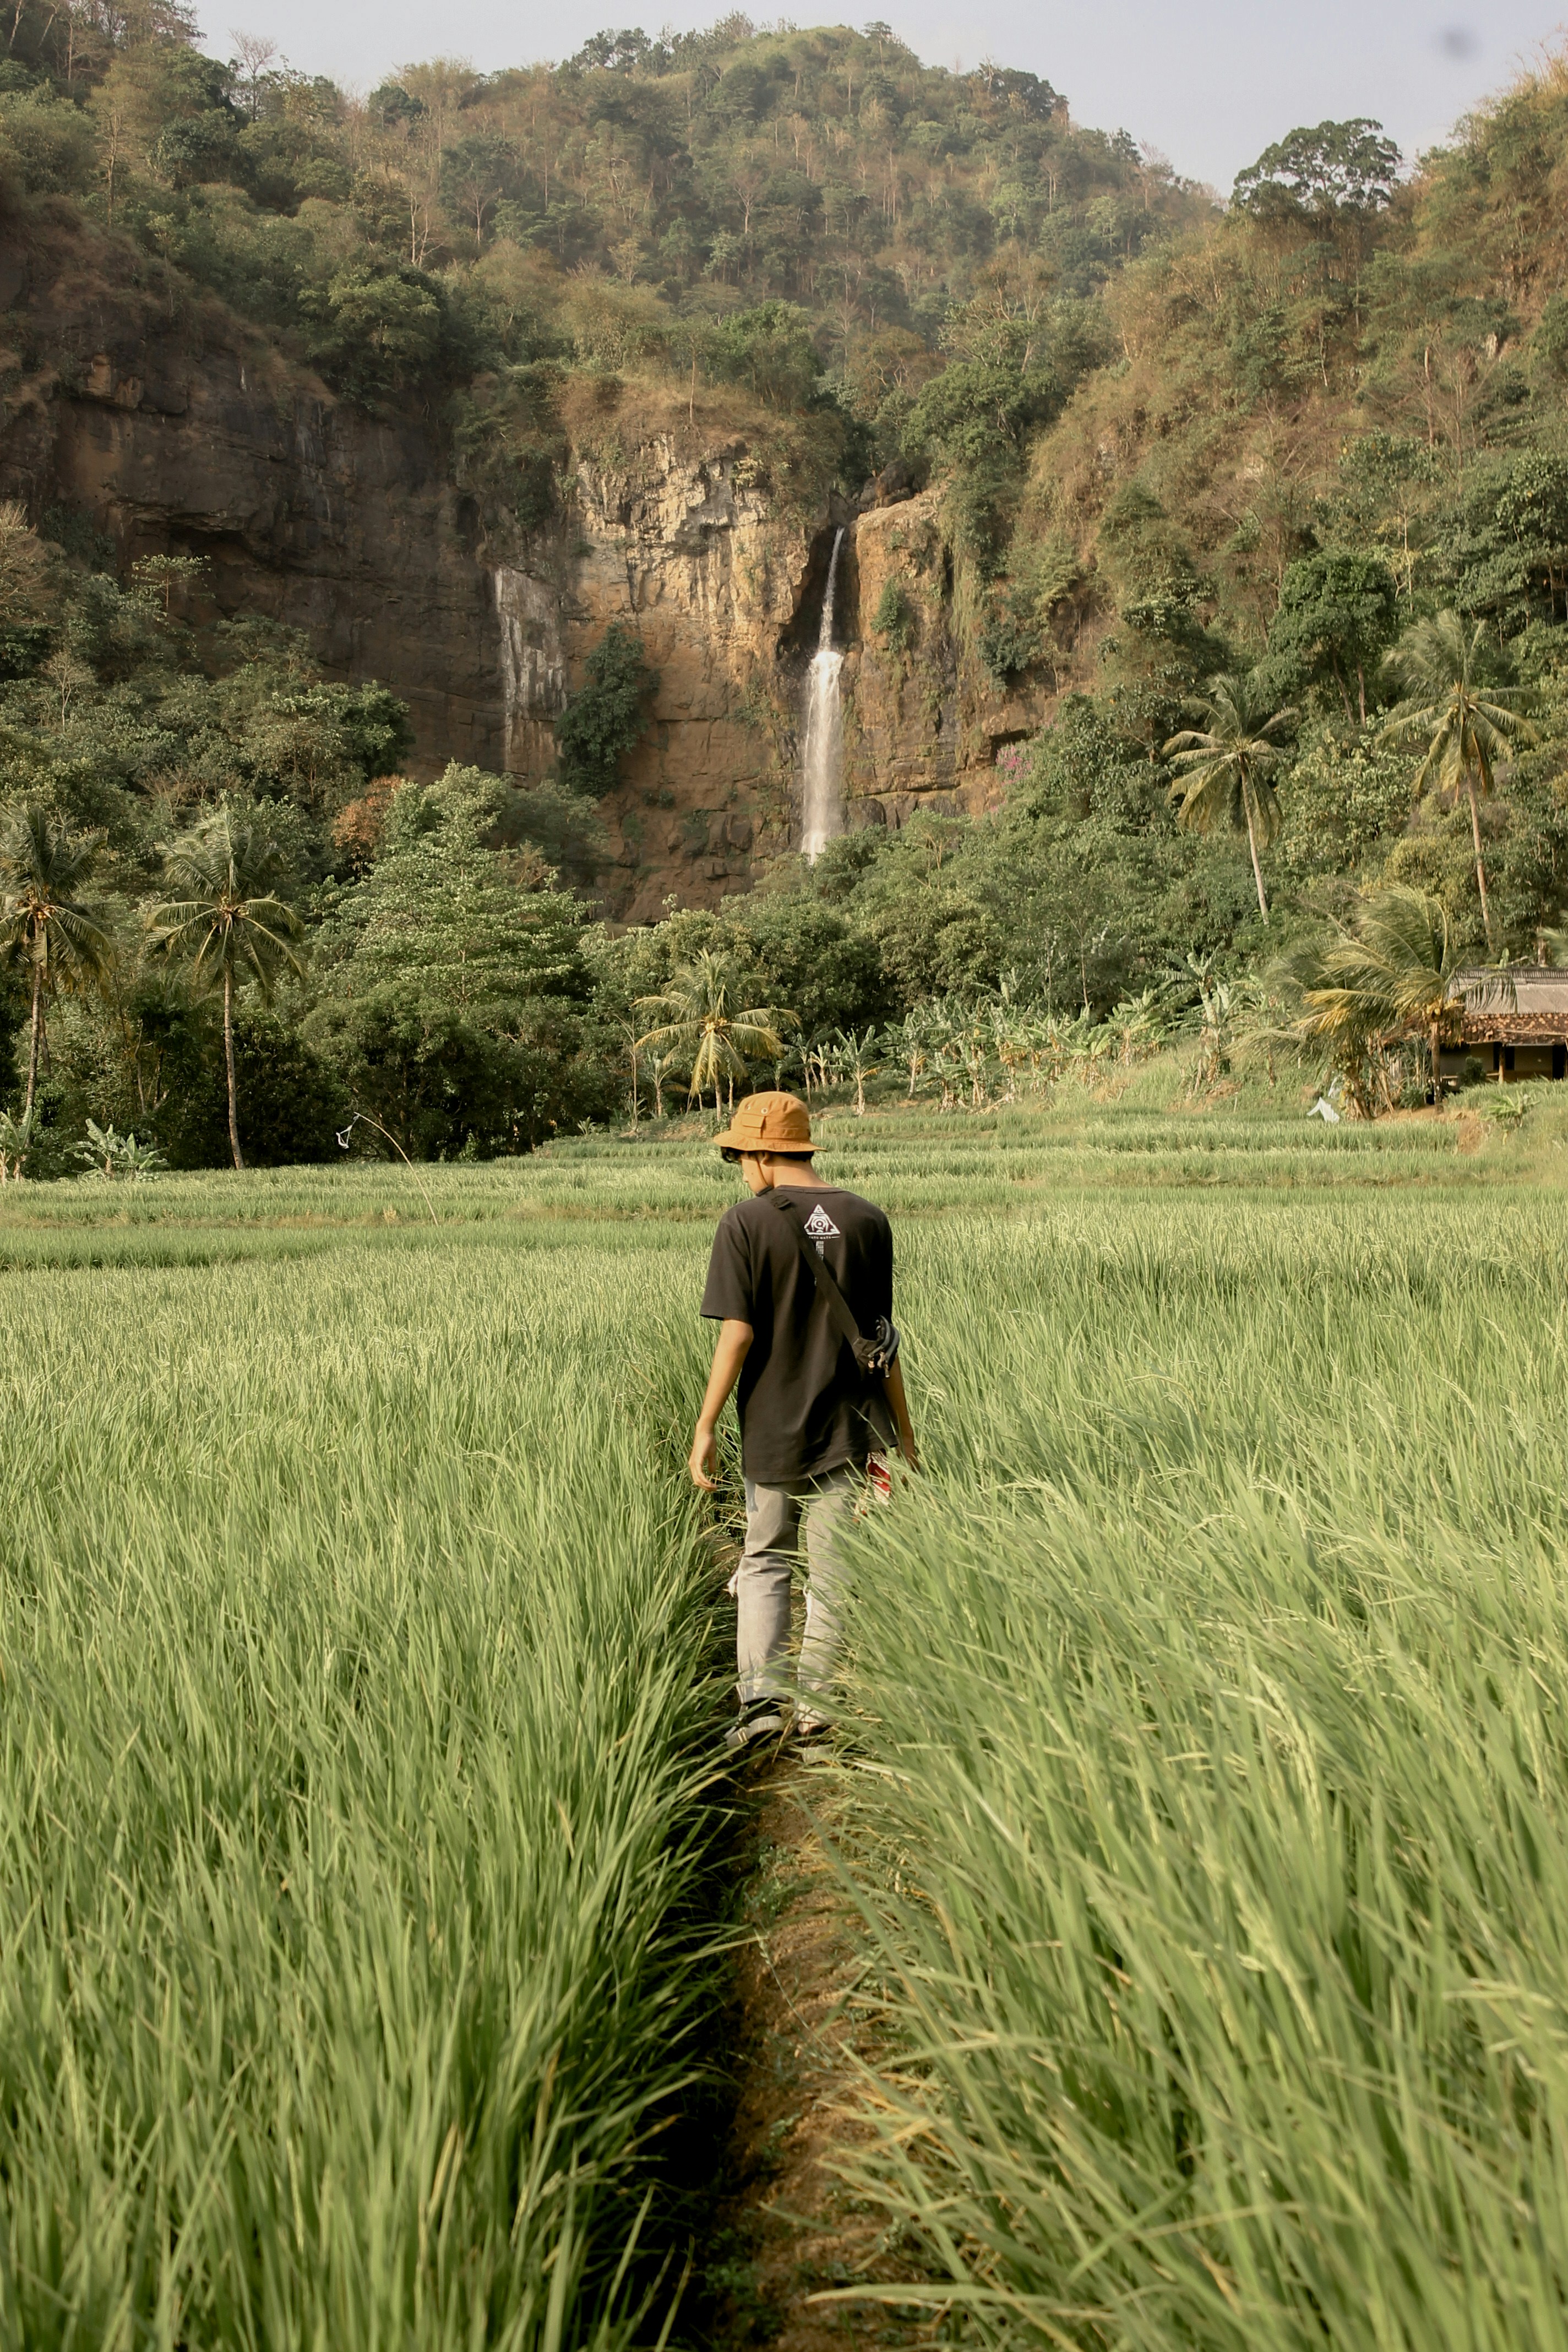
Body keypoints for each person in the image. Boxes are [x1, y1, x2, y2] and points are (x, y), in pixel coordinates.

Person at [689, 1090, 918, 1752]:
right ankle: (816, 1713)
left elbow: (737, 1335)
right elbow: (883, 1342)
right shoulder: (869, 1220)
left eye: (739, 1157)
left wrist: (704, 1426)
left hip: (771, 1430)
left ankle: (761, 1709)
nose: (739, 1169)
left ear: (763, 1153)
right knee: (834, 1566)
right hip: (852, 1432)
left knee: (764, 1562)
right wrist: (903, 1439)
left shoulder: (745, 1223)